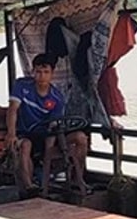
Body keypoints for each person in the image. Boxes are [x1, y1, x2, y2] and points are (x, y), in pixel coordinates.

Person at [6, 53, 88, 195]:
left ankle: (76, 179)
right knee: (25, 145)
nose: (42, 76)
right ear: (33, 72)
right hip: (26, 133)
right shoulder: (22, 86)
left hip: (48, 135)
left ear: (52, 74)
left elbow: (54, 126)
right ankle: (29, 187)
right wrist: (11, 134)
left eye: (46, 72)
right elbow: (13, 109)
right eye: (38, 72)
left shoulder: (56, 97)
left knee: (80, 137)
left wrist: (48, 152)